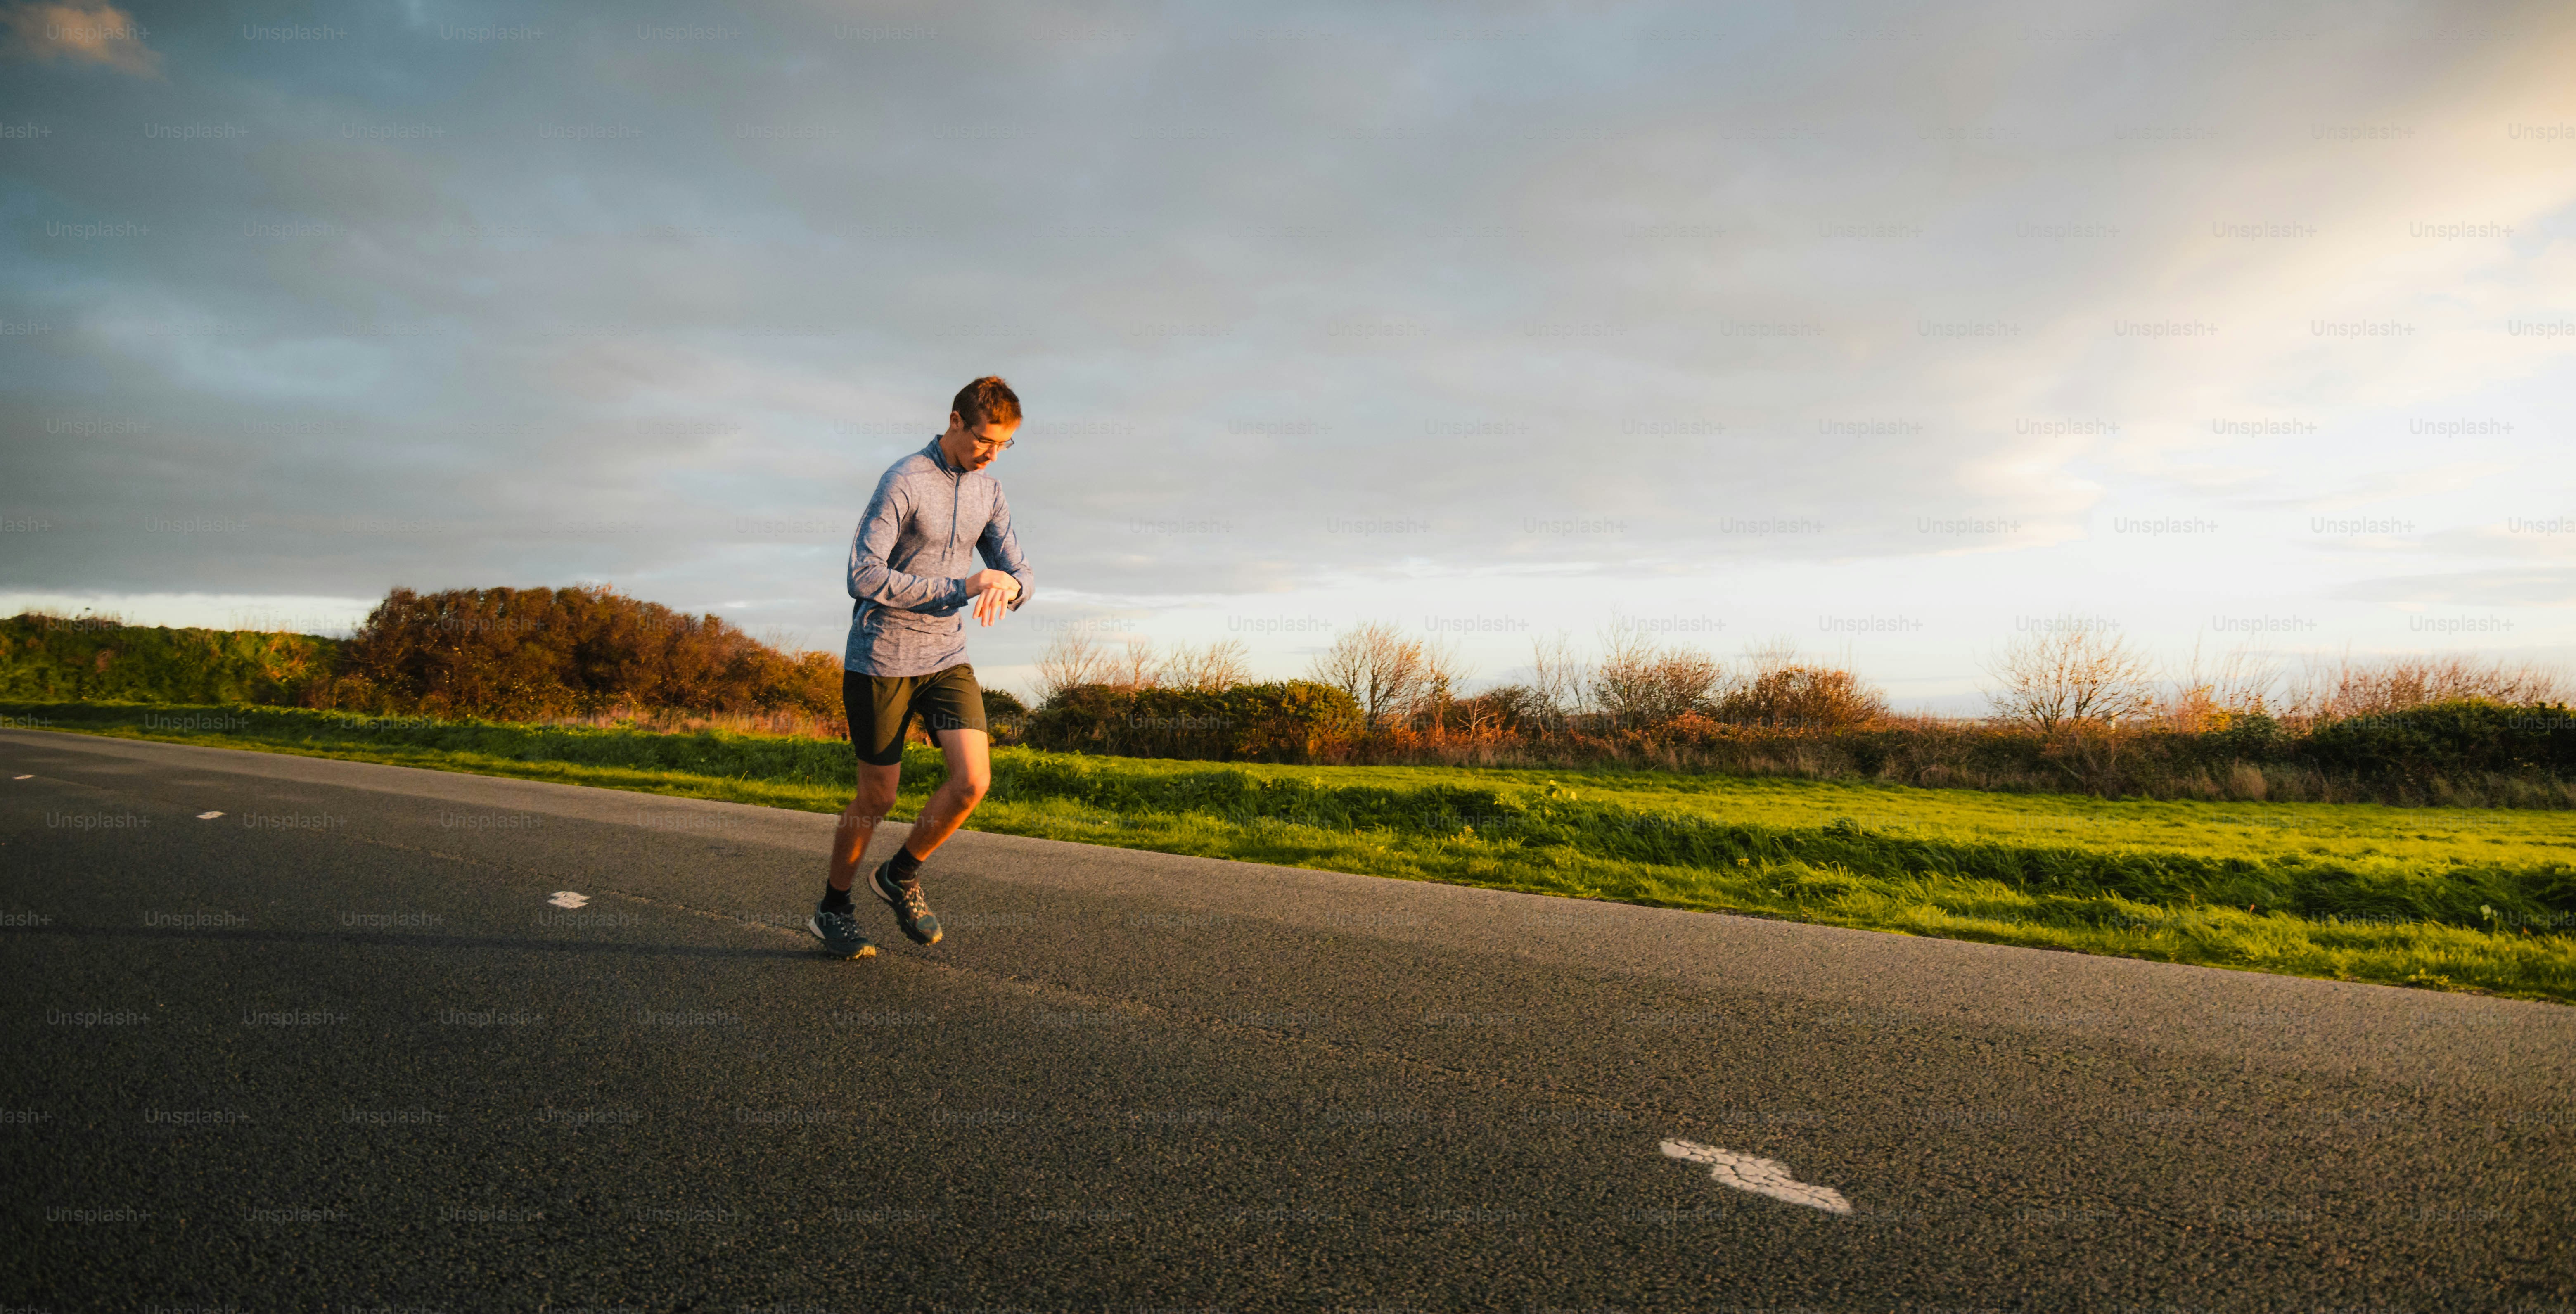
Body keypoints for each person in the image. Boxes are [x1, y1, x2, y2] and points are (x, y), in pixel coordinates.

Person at [809, 375, 1032, 959]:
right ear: (955, 420)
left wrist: (1009, 585)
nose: (991, 453)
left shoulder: (990, 492)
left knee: (973, 780)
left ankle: (900, 874)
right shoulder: (904, 480)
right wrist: (964, 584)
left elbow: (1021, 573)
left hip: (945, 656)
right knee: (877, 797)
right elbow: (863, 575)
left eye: (1004, 445)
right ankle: (833, 907)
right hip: (882, 656)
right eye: (985, 439)